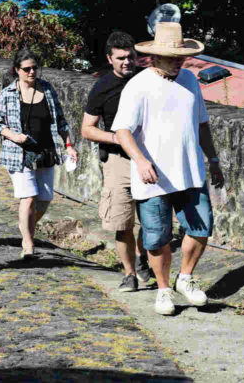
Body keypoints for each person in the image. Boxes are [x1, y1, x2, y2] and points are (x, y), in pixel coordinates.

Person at [112, 22, 225, 316]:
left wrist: (212, 159)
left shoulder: (190, 80)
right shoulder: (137, 86)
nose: (178, 62)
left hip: (189, 172)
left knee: (201, 228)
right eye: (171, 57)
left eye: (180, 57)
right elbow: (123, 131)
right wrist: (140, 159)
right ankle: (163, 290)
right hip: (153, 178)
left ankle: (184, 278)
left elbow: (202, 124)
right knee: (156, 238)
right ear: (153, 56)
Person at [81, 31, 152, 292]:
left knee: (151, 218)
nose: (127, 62)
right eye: (121, 58)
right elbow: (87, 129)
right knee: (122, 223)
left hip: (147, 159)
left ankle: (144, 258)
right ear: (110, 58)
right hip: (118, 161)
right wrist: (117, 138)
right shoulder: (102, 87)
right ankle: (129, 273)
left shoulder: (146, 80)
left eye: (130, 57)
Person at [0, 48, 79, 260]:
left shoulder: (47, 90)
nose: (31, 72)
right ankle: (28, 244)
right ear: (17, 70)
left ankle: (25, 225)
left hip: (46, 150)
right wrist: (13, 136)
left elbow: (61, 120)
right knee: (28, 197)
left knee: (45, 198)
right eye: (26, 69)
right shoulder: (7, 94)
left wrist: (69, 145)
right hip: (19, 153)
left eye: (34, 68)